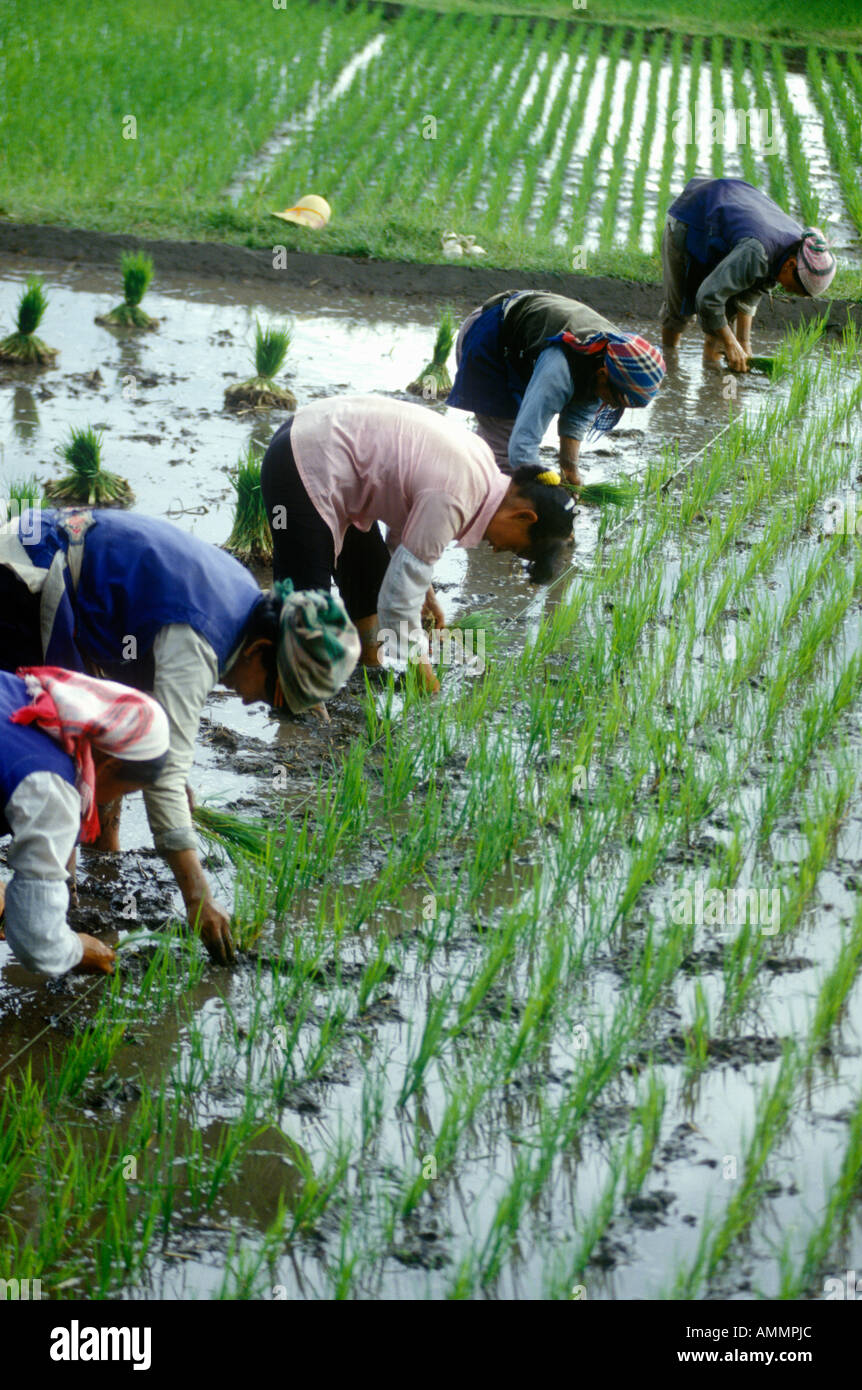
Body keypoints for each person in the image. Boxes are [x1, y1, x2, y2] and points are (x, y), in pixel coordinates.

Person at [0, 507, 359, 965]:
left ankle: (74, 879)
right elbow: (164, 771)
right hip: (23, 579)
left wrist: (162, 774)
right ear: (261, 651)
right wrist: (197, 897)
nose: (255, 705)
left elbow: (135, 719)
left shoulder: (240, 597)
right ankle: (44, 917)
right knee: (42, 756)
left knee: (80, 755)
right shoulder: (200, 640)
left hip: (39, 549)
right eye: (270, 695)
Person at [259, 393, 575, 692]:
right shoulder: (456, 496)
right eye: (516, 548)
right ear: (524, 517)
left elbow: (404, 542)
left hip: (329, 451)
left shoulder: (480, 473)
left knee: (371, 574)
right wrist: (424, 675)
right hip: (302, 460)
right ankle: (293, 701)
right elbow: (397, 602)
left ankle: (369, 667)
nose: (498, 550)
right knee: (305, 601)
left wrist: (428, 596)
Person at [0, 666, 169, 977]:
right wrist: (78, 950)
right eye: (126, 791)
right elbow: (36, 945)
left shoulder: (26, 694)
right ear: (109, 765)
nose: (112, 801)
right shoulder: (52, 788)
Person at [446, 290, 666, 486]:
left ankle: (475, 490)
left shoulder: (609, 356)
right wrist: (546, 489)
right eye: (616, 400)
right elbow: (522, 448)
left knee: (501, 452)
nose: (609, 405)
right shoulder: (559, 371)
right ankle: (479, 506)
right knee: (504, 454)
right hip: (491, 336)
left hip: (525, 349)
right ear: (603, 374)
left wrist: (569, 471)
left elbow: (579, 415)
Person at [659, 176, 837, 371]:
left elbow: (752, 292)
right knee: (679, 313)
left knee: (725, 318)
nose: (789, 291)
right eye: (795, 288)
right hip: (693, 216)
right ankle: (668, 366)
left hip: (728, 231)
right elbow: (708, 298)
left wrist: (744, 343)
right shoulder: (759, 252)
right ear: (791, 265)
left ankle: (711, 377)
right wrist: (730, 342)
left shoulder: (793, 250)